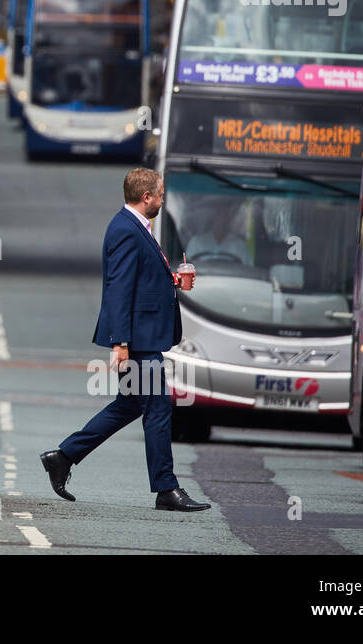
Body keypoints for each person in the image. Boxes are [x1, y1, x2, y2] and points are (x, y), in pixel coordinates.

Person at [40, 167, 212, 513]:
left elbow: (140, 280)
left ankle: (63, 456)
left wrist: (173, 282)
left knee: (131, 405)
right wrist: (120, 343)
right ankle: (166, 489)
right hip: (138, 340)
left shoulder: (135, 228)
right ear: (146, 197)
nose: (163, 200)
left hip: (143, 336)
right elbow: (118, 289)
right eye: (160, 195)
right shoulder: (125, 230)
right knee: (158, 408)